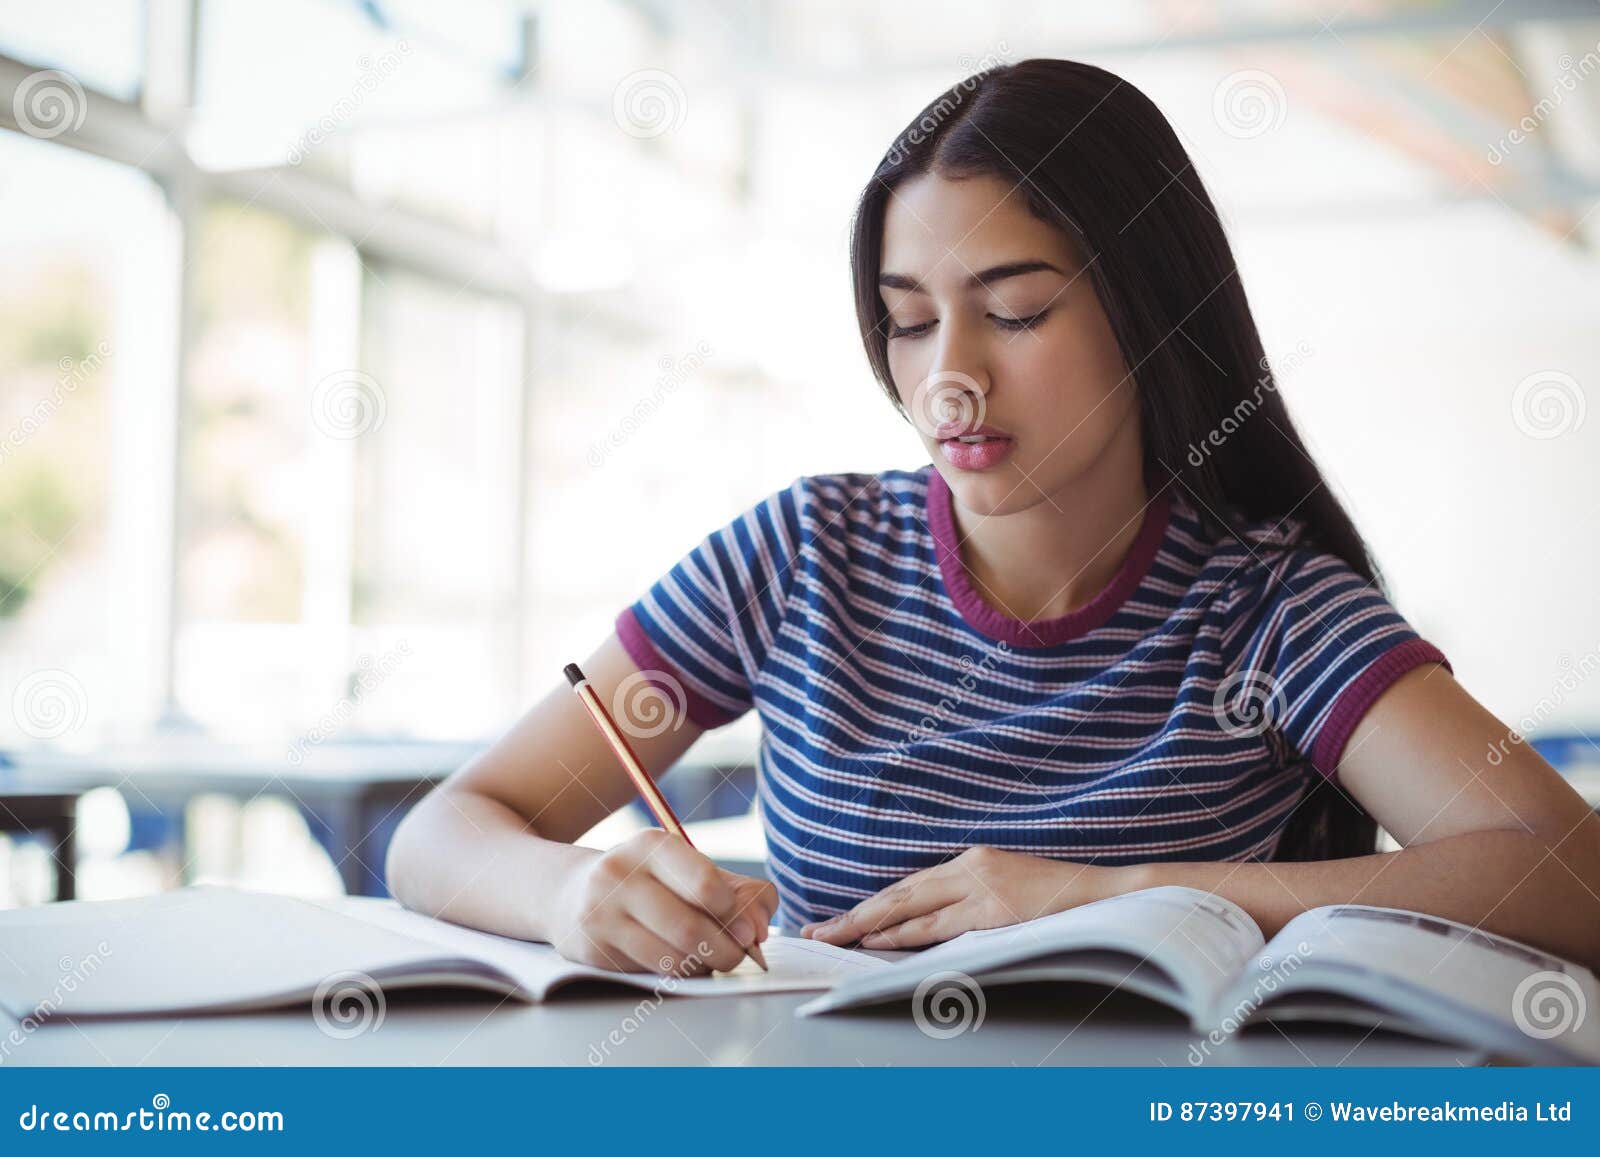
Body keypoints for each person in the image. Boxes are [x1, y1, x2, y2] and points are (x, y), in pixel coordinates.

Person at [386, 58, 1600, 977]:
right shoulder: (802, 558)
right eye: (908, 319)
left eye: (1013, 311)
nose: (947, 377)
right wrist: (564, 897)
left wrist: (1118, 891)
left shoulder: (1264, 609)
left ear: (1149, 312)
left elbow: (1573, 874)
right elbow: (442, 833)